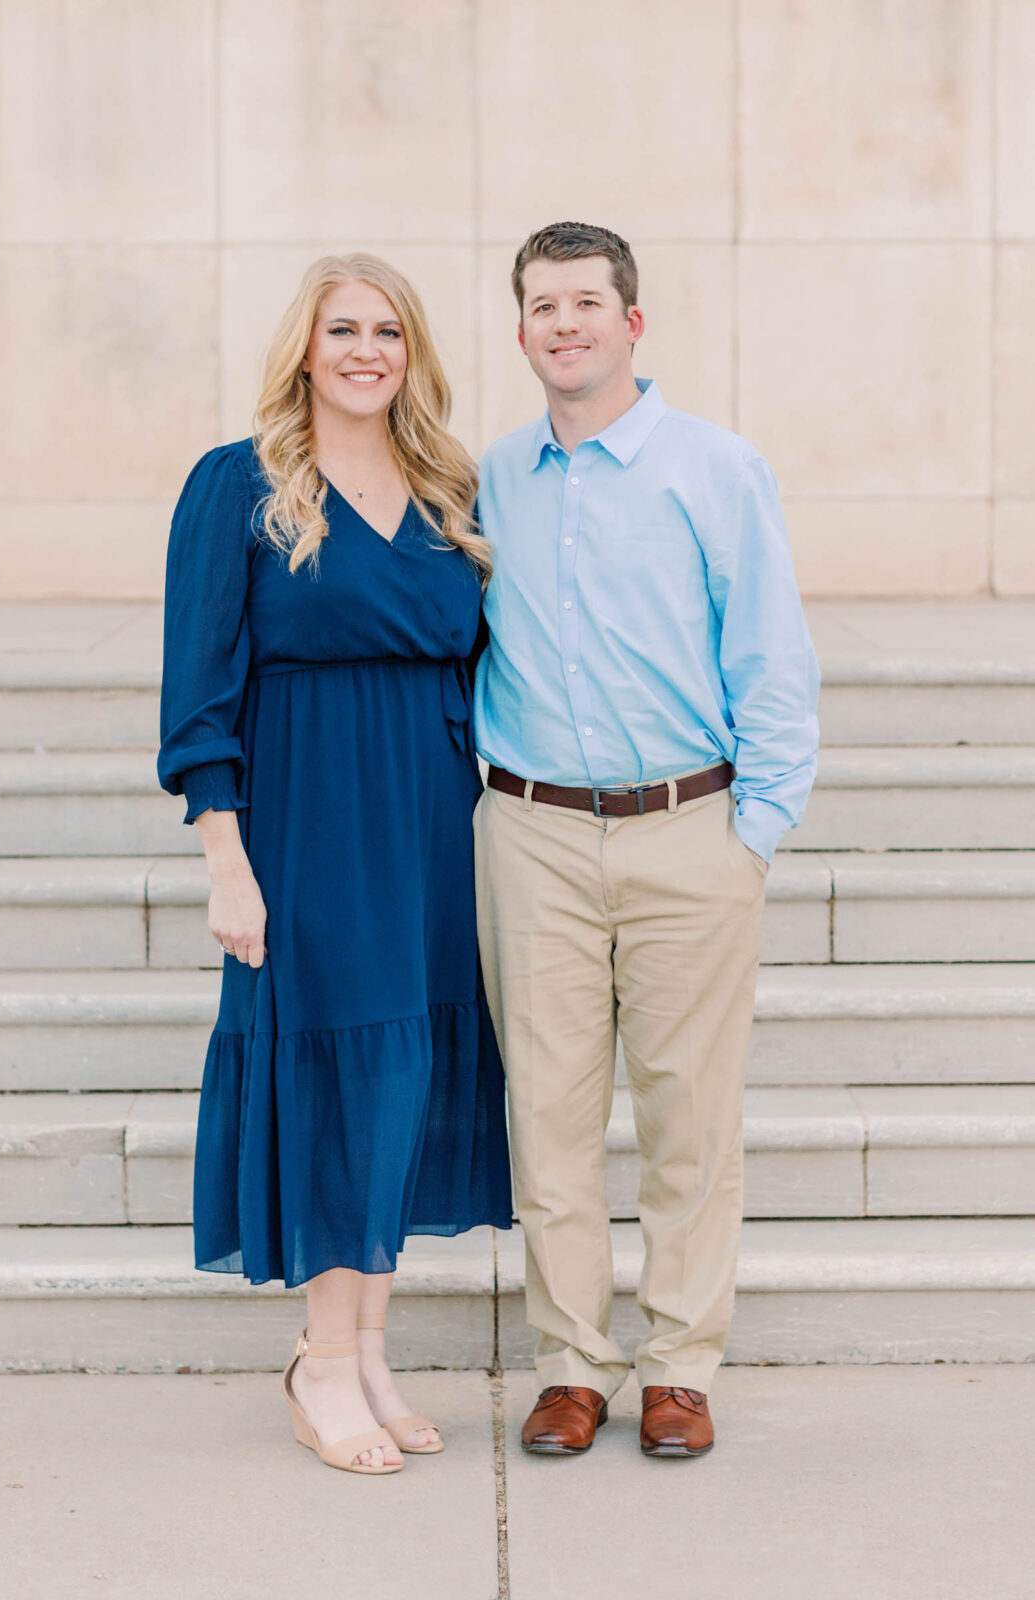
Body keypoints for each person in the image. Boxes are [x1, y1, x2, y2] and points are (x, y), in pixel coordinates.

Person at [158, 253, 512, 1476]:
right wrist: (226, 857)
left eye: (388, 332)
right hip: (307, 815)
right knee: (335, 1071)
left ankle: (367, 1351)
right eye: (343, 330)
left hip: (428, 819)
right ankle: (319, 1360)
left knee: (402, 1072)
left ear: (413, 354)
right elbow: (198, 688)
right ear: (304, 351)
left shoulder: (447, 485)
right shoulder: (240, 484)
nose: (366, 351)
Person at [473, 221, 819, 1459]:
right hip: (531, 835)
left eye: (584, 302)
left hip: (688, 832)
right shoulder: (492, 477)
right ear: (520, 331)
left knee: (689, 1118)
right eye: (541, 305)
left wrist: (752, 832)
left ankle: (678, 1367)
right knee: (547, 1119)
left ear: (630, 322)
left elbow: (770, 656)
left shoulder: (715, 467)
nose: (562, 323)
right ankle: (571, 1367)